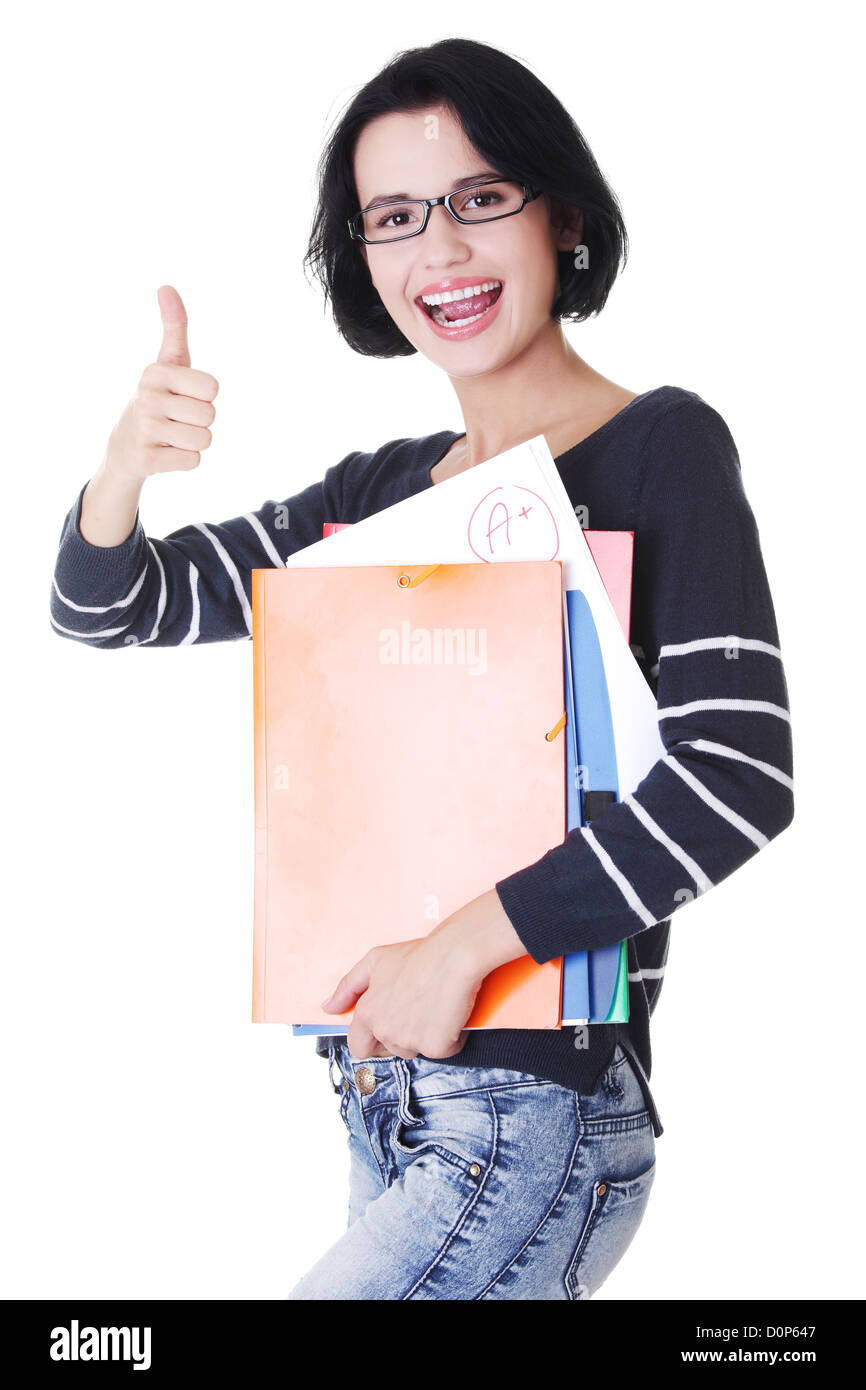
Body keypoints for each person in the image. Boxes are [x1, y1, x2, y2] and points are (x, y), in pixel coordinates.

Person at [49, 38, 794, 1300]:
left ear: (559, 214)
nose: (438, 251)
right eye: (394, 217)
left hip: (533, 1107)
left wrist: (464, 943)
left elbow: (736, 775)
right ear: (364, 257)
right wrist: (122, 467)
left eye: (479, 198)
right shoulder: (374, 498)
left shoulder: (663, 446)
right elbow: (115, 608)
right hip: (379, 1097)